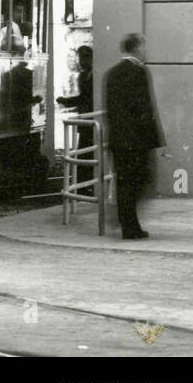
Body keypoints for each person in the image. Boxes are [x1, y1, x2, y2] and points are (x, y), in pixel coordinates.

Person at [104, 33, 166, 240]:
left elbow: (111, 110)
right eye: (144, 47)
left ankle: (126, 223)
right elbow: (145, 109)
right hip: (137, 140)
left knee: (124, 182)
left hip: (118, 139)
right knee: (140, 180)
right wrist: (154, 140)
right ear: (137, 48)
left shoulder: (111, 74)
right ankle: (130, 226)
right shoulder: (140, 72)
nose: (146, 51)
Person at [57, 45, 95, 197]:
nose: (81, 61)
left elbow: (84, 98)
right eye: (80, 58)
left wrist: (66, 101)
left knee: (85, 154)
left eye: (84, 58)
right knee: (85, 154)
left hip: (89, 120)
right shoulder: (87, 74)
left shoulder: (88, 75)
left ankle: (83, 186)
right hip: (88, 121)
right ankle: (84, 186)